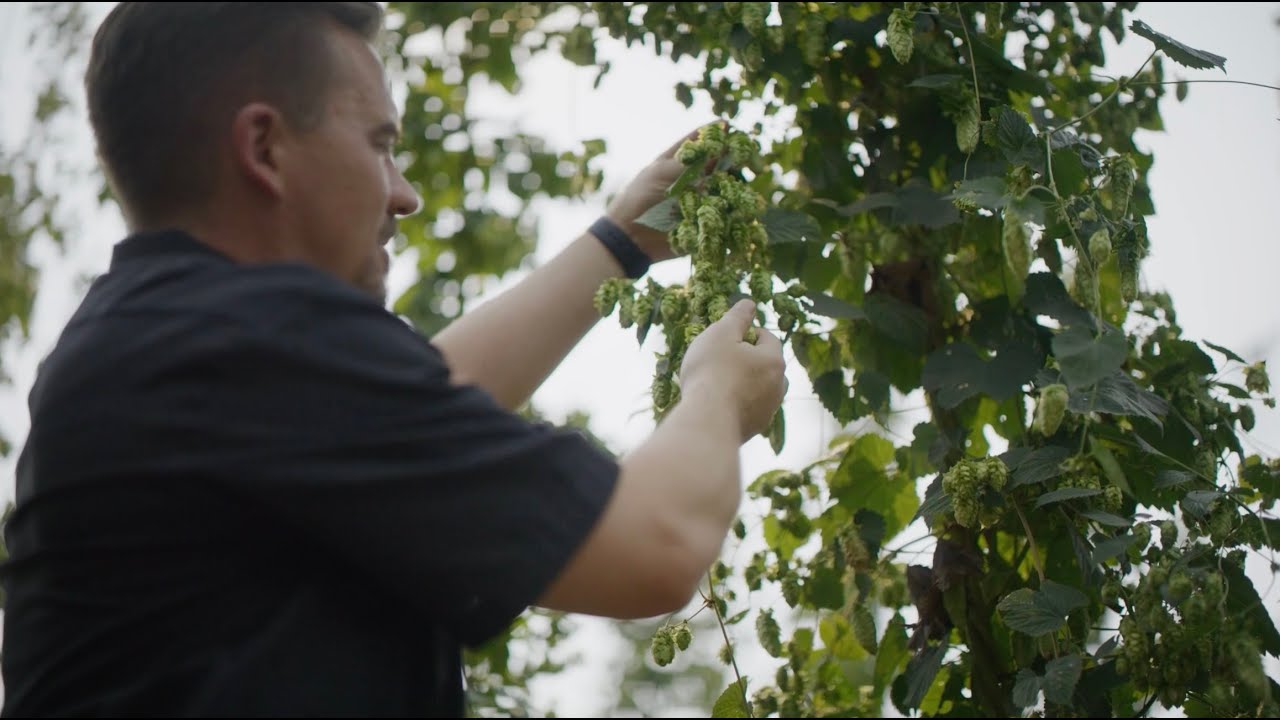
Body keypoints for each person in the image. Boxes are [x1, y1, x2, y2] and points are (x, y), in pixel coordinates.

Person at [0, 3, 787, 717]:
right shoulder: (245, 341)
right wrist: (718, 395)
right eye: (379, 146)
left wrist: (621, 241)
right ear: (265, 147)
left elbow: (418, 406)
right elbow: (655, 545)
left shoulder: (158, 340)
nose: (403, 195)